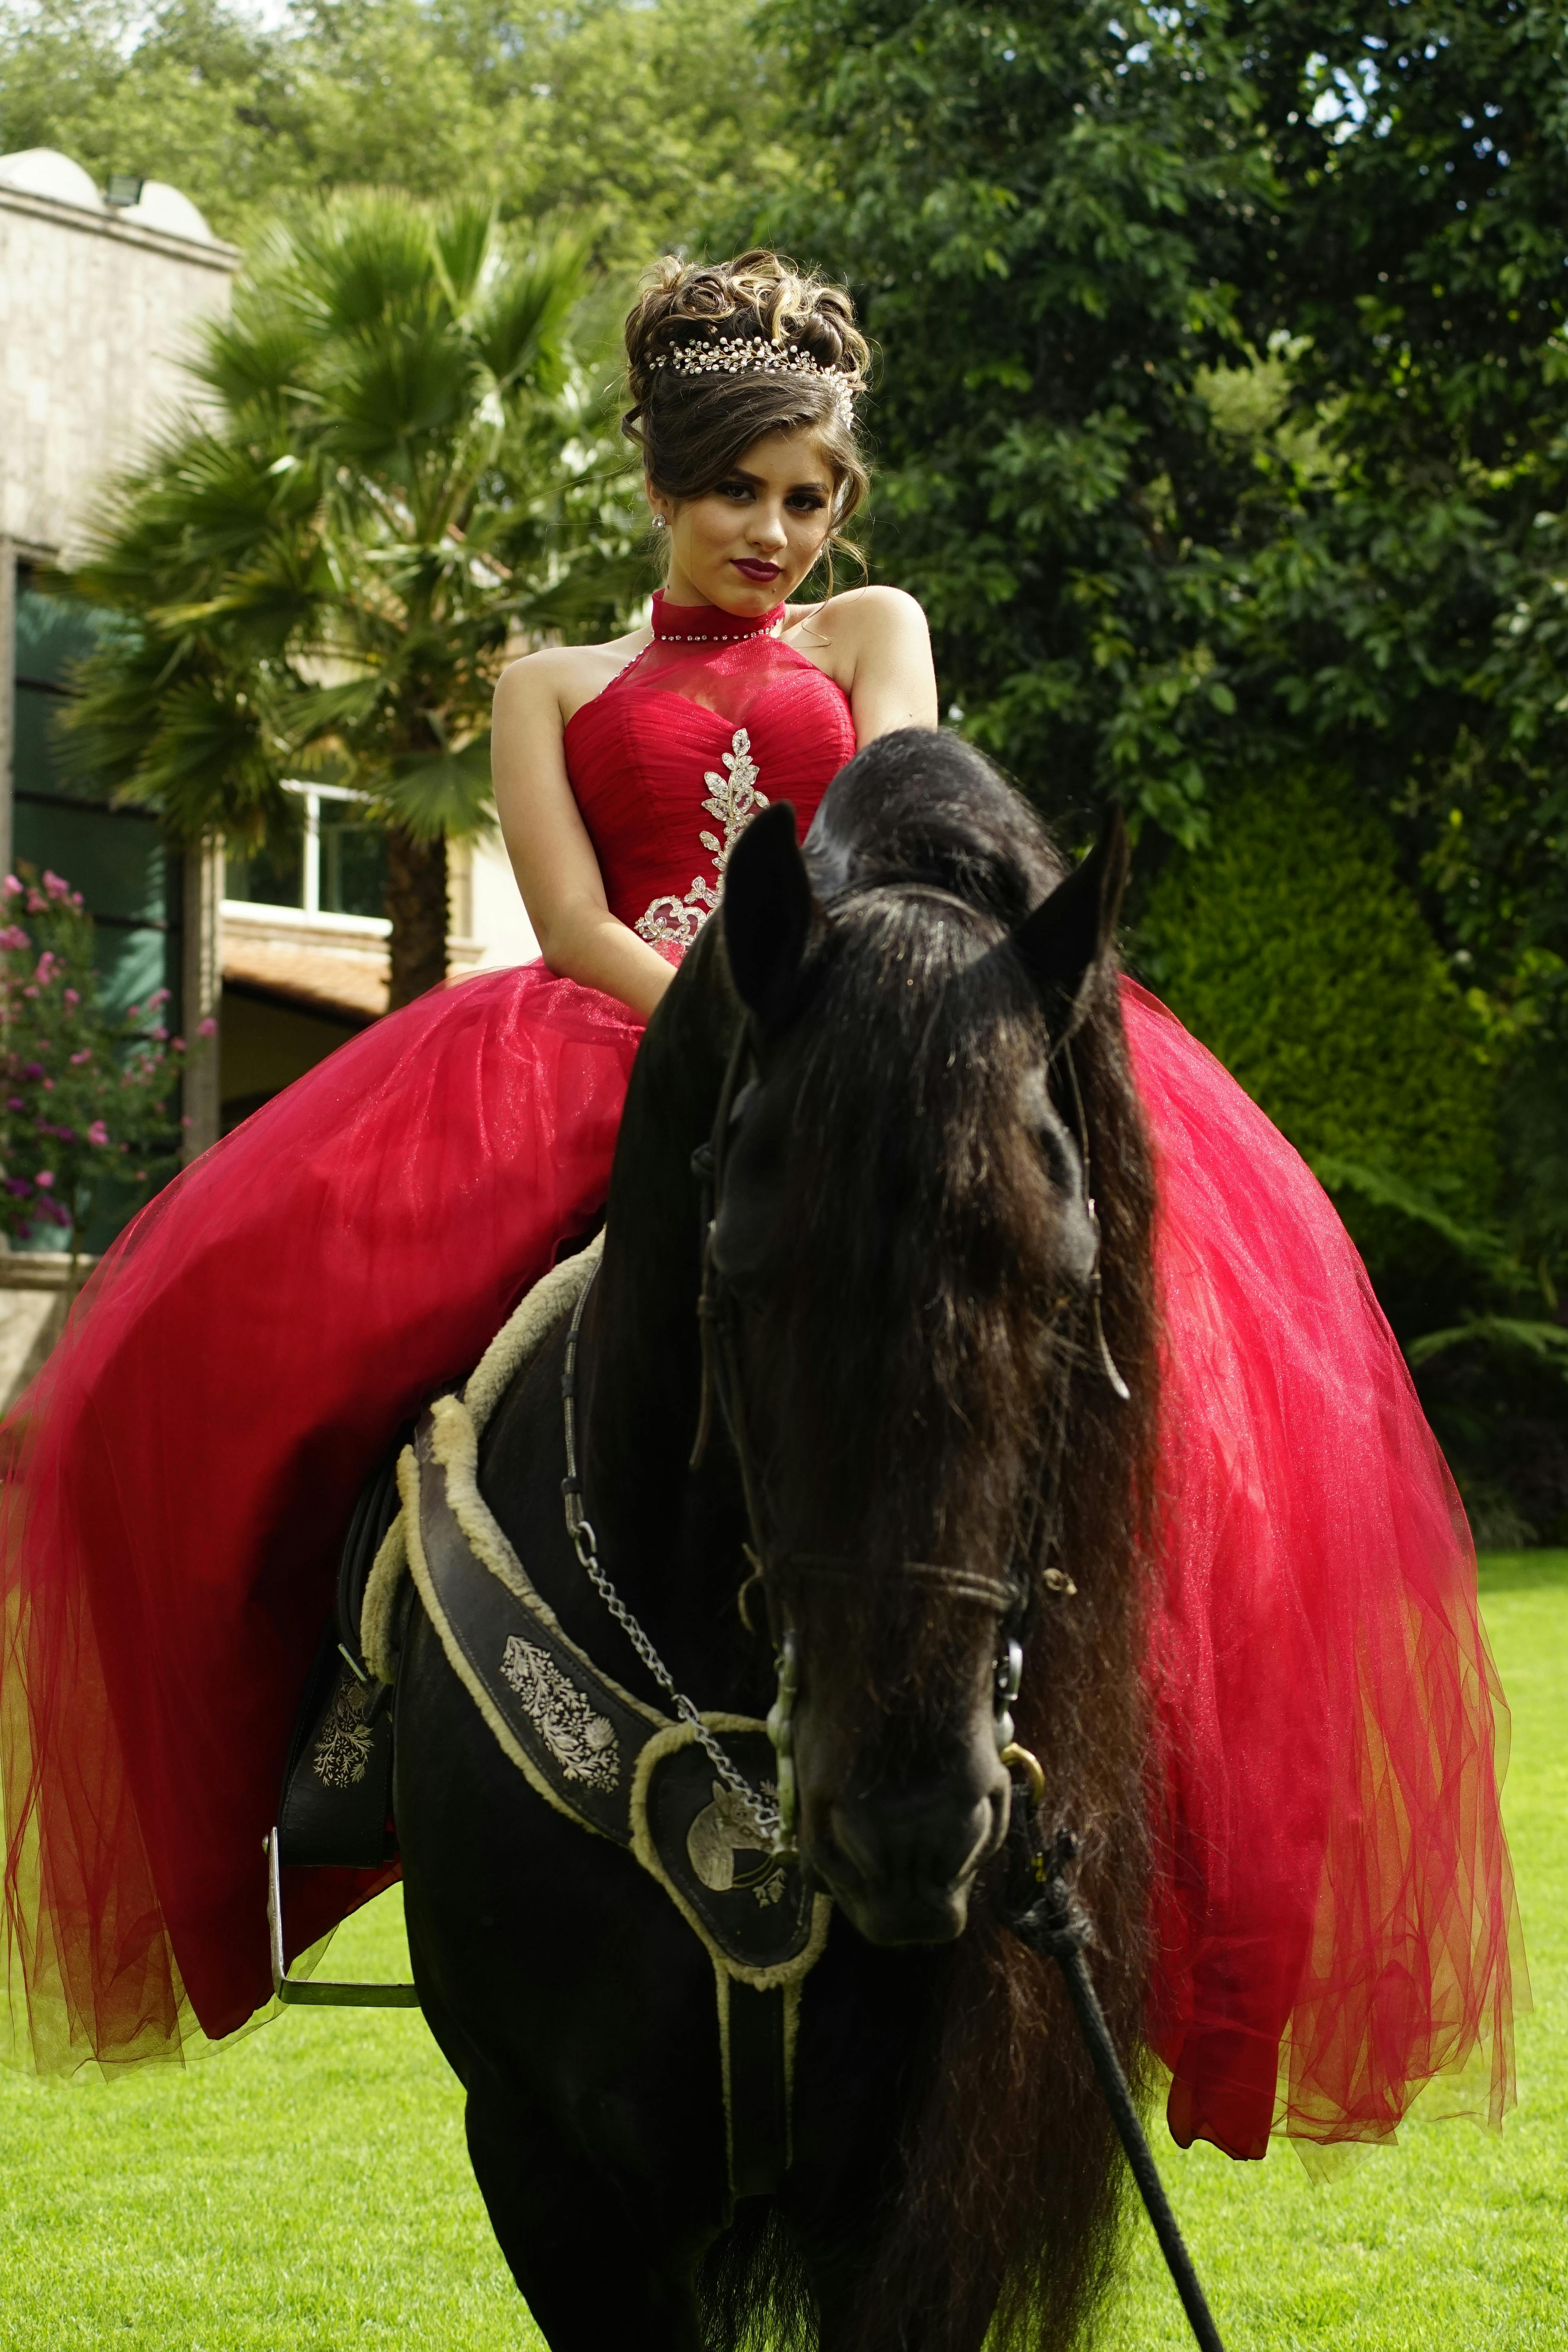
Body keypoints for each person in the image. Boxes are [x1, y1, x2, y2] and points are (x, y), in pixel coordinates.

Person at [0, 254, 1519, 2167]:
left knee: (1120, 1356)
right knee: (354, 1339)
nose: (778, 534)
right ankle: (361, 1712)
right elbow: (565, 922)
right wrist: (734, 1034)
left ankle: (1162, 1799)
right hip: (623, 1046)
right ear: (661, 484)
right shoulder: (545, 683)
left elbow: (913, 843)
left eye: (810, 497)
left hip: (870, 1049)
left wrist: (831, 1043)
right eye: (741, 493)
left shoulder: (877, 631)